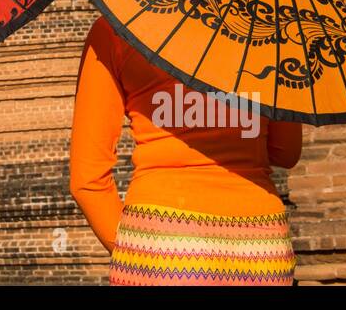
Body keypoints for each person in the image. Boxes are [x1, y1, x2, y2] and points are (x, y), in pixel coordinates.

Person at [69, 17, 303, 286]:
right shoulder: (270, 29)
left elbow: (87, 180)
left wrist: (134, 249)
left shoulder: (116, 28)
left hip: (160, 240)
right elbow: (286, 152)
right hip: (262, 247)